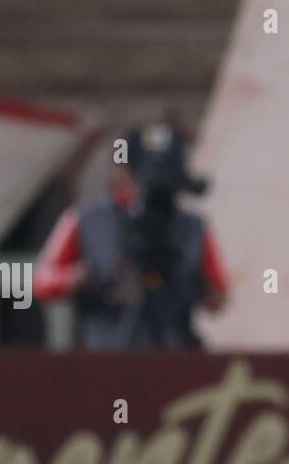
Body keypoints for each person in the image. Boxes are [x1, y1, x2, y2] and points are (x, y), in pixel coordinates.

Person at [35, 122, 227, 349]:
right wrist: (77, 279)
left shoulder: (192, 226)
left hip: (174, 351)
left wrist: (197, 288)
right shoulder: (86, 220)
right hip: (107, 354)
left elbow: (218, 295)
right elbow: (41, 282)